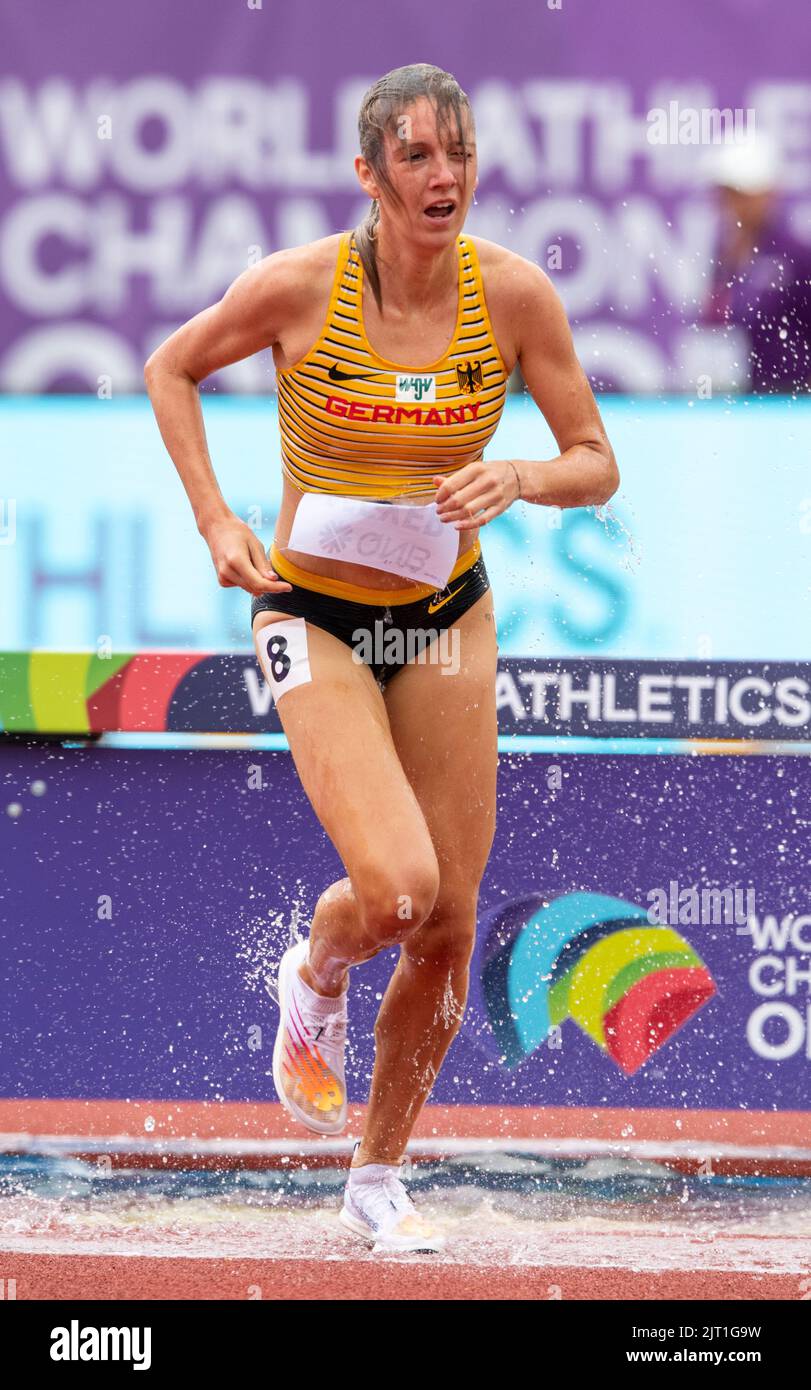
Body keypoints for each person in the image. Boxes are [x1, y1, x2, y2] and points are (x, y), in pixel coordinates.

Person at [144, 62, 618, 1255]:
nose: (443, 175)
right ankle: (314, 971)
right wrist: (214, 519)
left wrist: (522, 476)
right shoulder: (297, 287)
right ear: (368, 175)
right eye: (415, 155)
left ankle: (376, 1175)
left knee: (450, 922)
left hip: (443, 612)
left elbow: (595, 460)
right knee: (396, 890)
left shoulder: (511, 297)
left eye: (458, 153)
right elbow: (170, 368)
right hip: (311, 613)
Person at [704, 134, 811, 393]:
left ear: (769, 194)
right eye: (727, 194)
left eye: (741, 194)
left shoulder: (797, 255)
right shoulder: (723, 253)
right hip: (745, 399)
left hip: (793, 401)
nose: (733, 204)